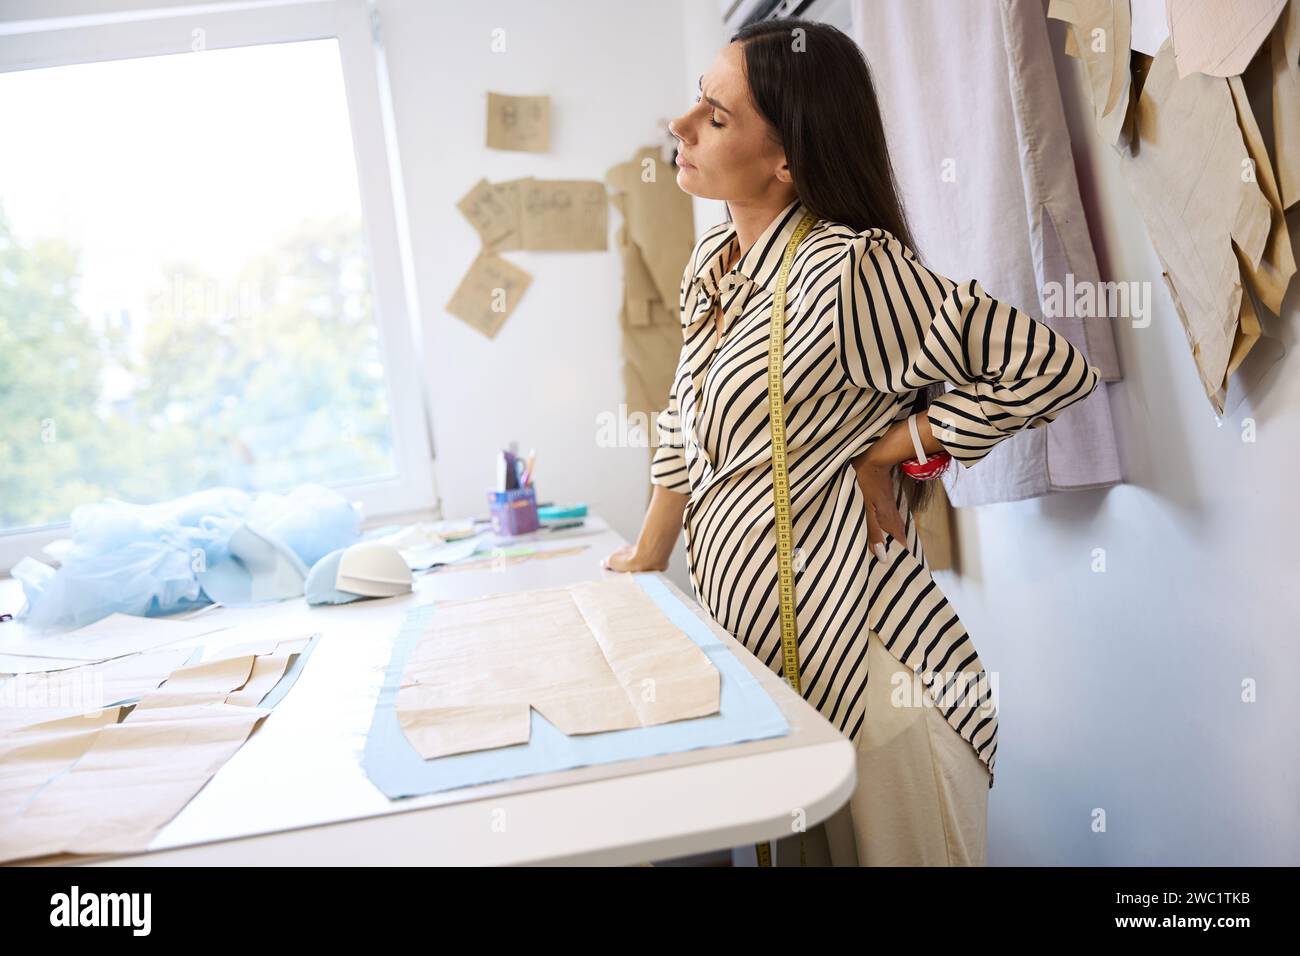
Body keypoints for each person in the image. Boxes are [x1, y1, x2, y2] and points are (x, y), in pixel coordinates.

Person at [602, 17, 1101, 866]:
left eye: (716, 118)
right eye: (696, 102)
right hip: (774, 673)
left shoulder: (848, 270)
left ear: (787, 160)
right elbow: (686, 423)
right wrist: (648, 557)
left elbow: (1049, 366)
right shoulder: (714, 264)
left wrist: (895, 444)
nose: (681, 127)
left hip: (876, 682)